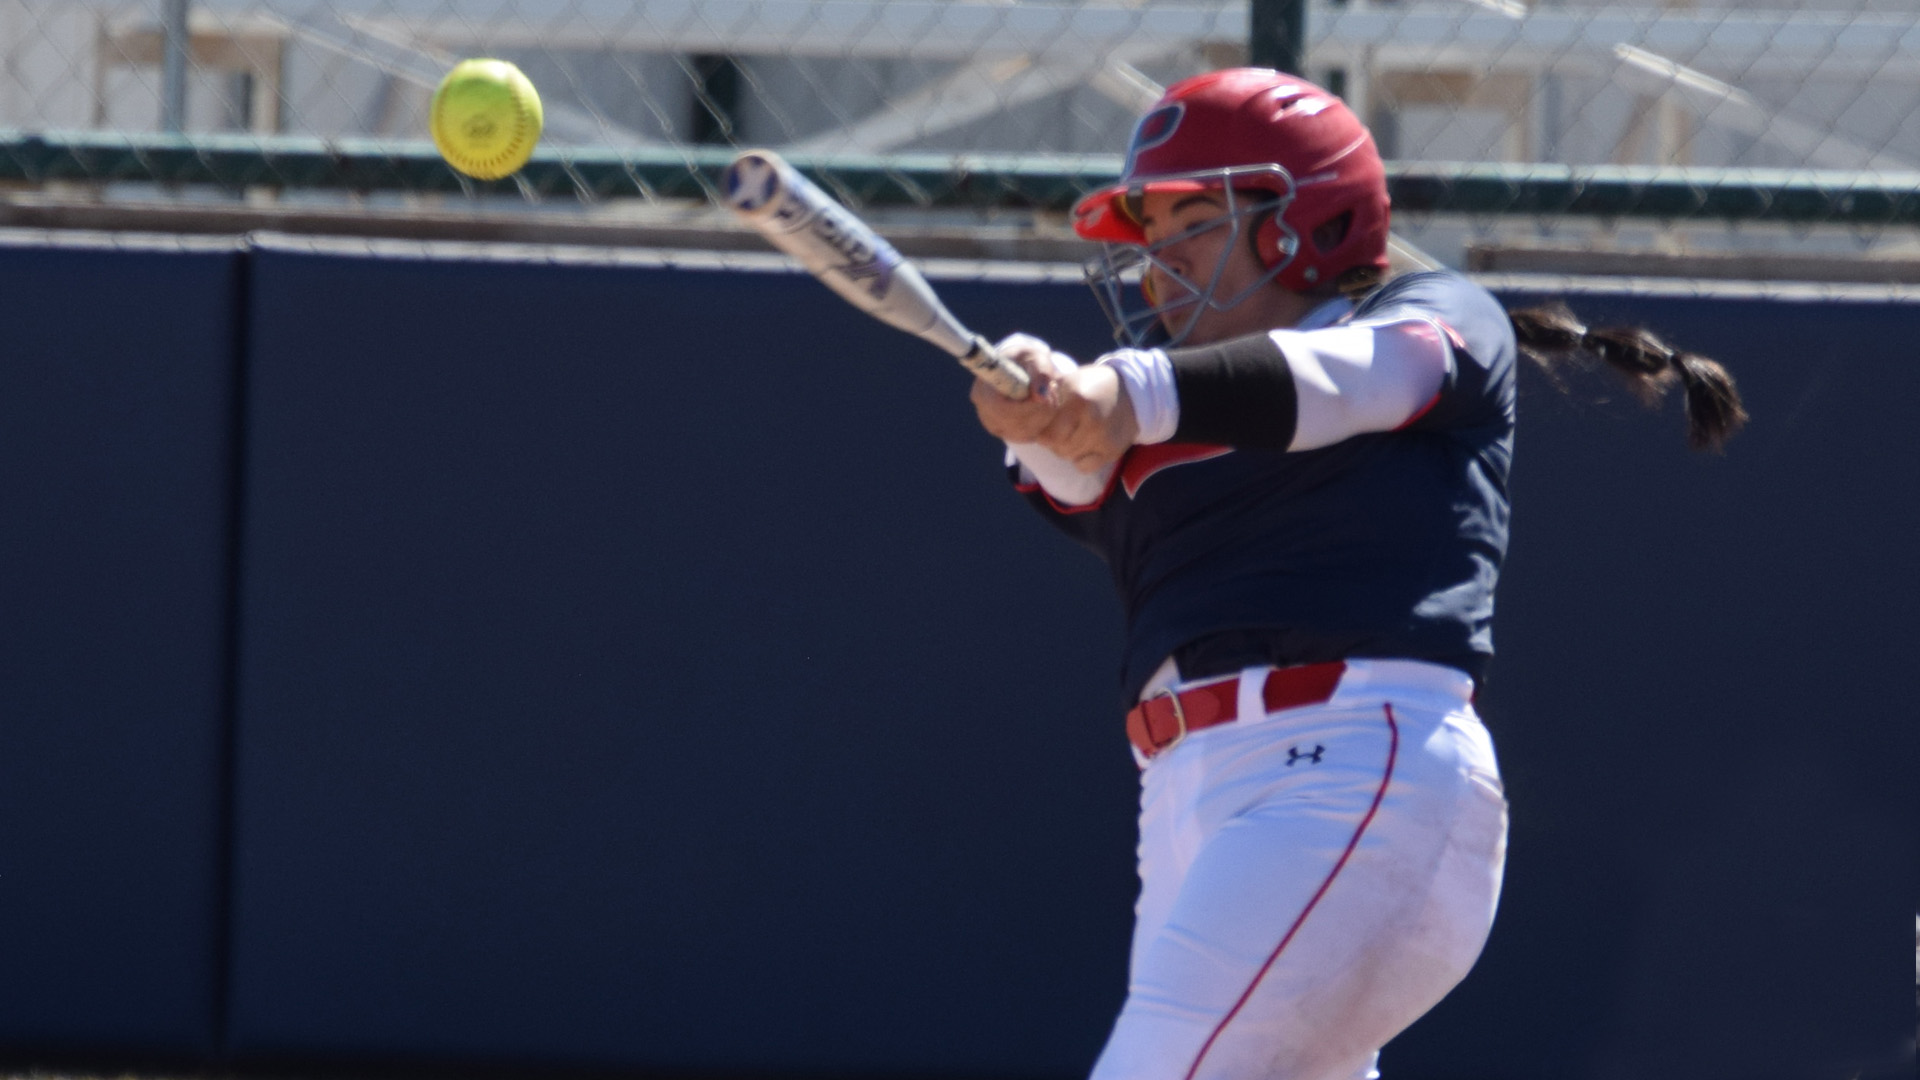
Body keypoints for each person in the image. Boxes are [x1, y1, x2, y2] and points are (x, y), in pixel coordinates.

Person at [968, 67, 1746, 1080]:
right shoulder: (1157, 398)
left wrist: (1119, 390)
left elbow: (1335, 378)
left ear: (1306, 225)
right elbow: (1074, 471)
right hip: (1188, 801)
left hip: (1348, 770)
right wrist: (1031, 399)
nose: (1158, 267)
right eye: (1148, 234)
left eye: (1192, 223)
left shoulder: (1432, 316)